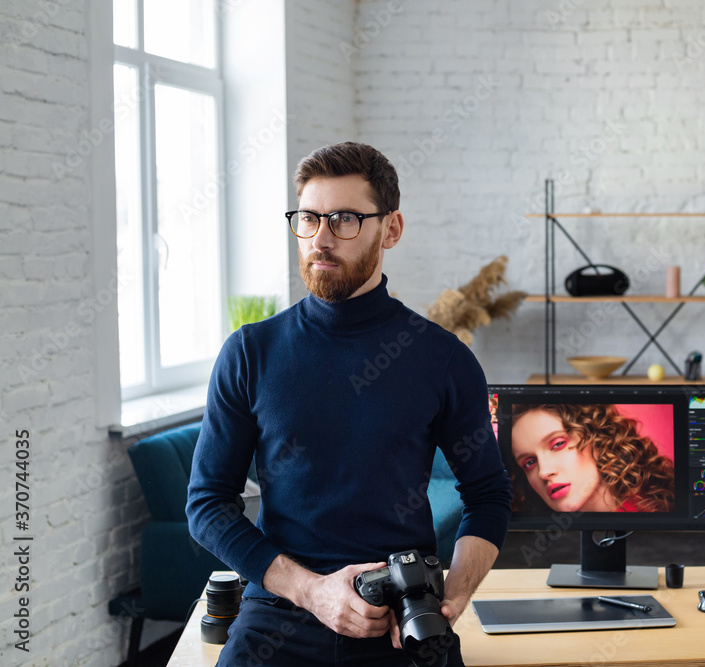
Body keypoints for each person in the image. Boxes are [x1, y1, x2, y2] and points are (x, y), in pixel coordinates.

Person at [186, 142, 512, 666]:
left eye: (343, 219)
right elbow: (207, 504)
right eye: (308, 219)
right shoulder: (250, 353)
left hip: (400, 620)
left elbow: (489, 495)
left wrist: (453, 595)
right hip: (280, 611)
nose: (320, 238)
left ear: (391, 229)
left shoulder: (443, 359)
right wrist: (312, 591)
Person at [509, 404, 673, 513]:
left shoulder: (659, 514)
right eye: (529, 463)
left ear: (596, 437)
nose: (544, 472)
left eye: (558, 444)